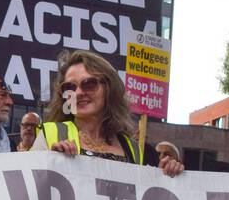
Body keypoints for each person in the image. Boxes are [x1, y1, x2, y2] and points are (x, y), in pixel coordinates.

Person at [26, 50, 184, 177]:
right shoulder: (49, 134)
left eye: (89, 84)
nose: (79, 93)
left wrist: (169, 175)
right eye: (70, 87)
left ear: (109, 88)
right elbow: (25, 191)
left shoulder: (133, 149)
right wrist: (48, 163)